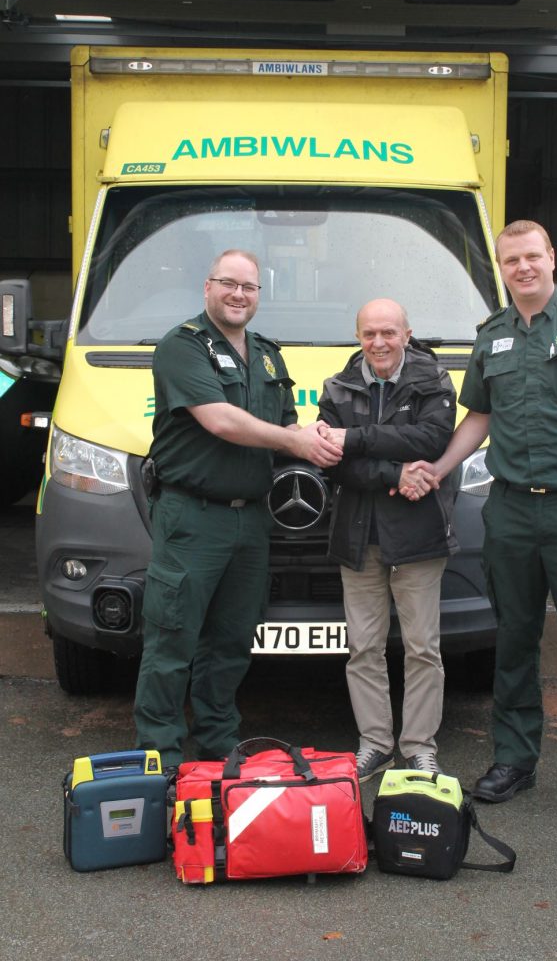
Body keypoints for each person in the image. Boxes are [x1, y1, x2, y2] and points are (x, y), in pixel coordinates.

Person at [402, 220, 557, 821]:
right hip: (510, 510)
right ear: (501, 268)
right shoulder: (492, 336)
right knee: (513, 640)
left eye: (532, 257)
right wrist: (437, 468)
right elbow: (478, 419)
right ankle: (515, 759)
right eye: (512, 260)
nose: (524, 268)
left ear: (552, 259)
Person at [134, 249, 342, 771]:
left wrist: (313, 435)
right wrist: (296, 444)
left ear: (258, 296)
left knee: (231, 642)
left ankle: (217, 748)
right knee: (172, 639)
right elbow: (222, 421)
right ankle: (158, 756)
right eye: (229, 284)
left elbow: (286, 429)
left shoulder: (269, 357)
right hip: (192, 516)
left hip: (251, 520)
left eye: (249, 288)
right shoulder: (182, 347)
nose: (238, 295)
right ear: (207, 287)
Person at [318, 298, 457, 781]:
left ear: (406, 333)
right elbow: (334, 464)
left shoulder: (433, 380)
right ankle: (375, 744)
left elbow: (433, 441)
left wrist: (354, 438)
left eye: (388, 333)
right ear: (358, 337)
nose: (379, 343)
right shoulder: (336, 387)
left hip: (417, 535)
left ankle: (419, 746)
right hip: (358, 537)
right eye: (369, 334)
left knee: (423, 648)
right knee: (363, 648)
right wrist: (397, 470)